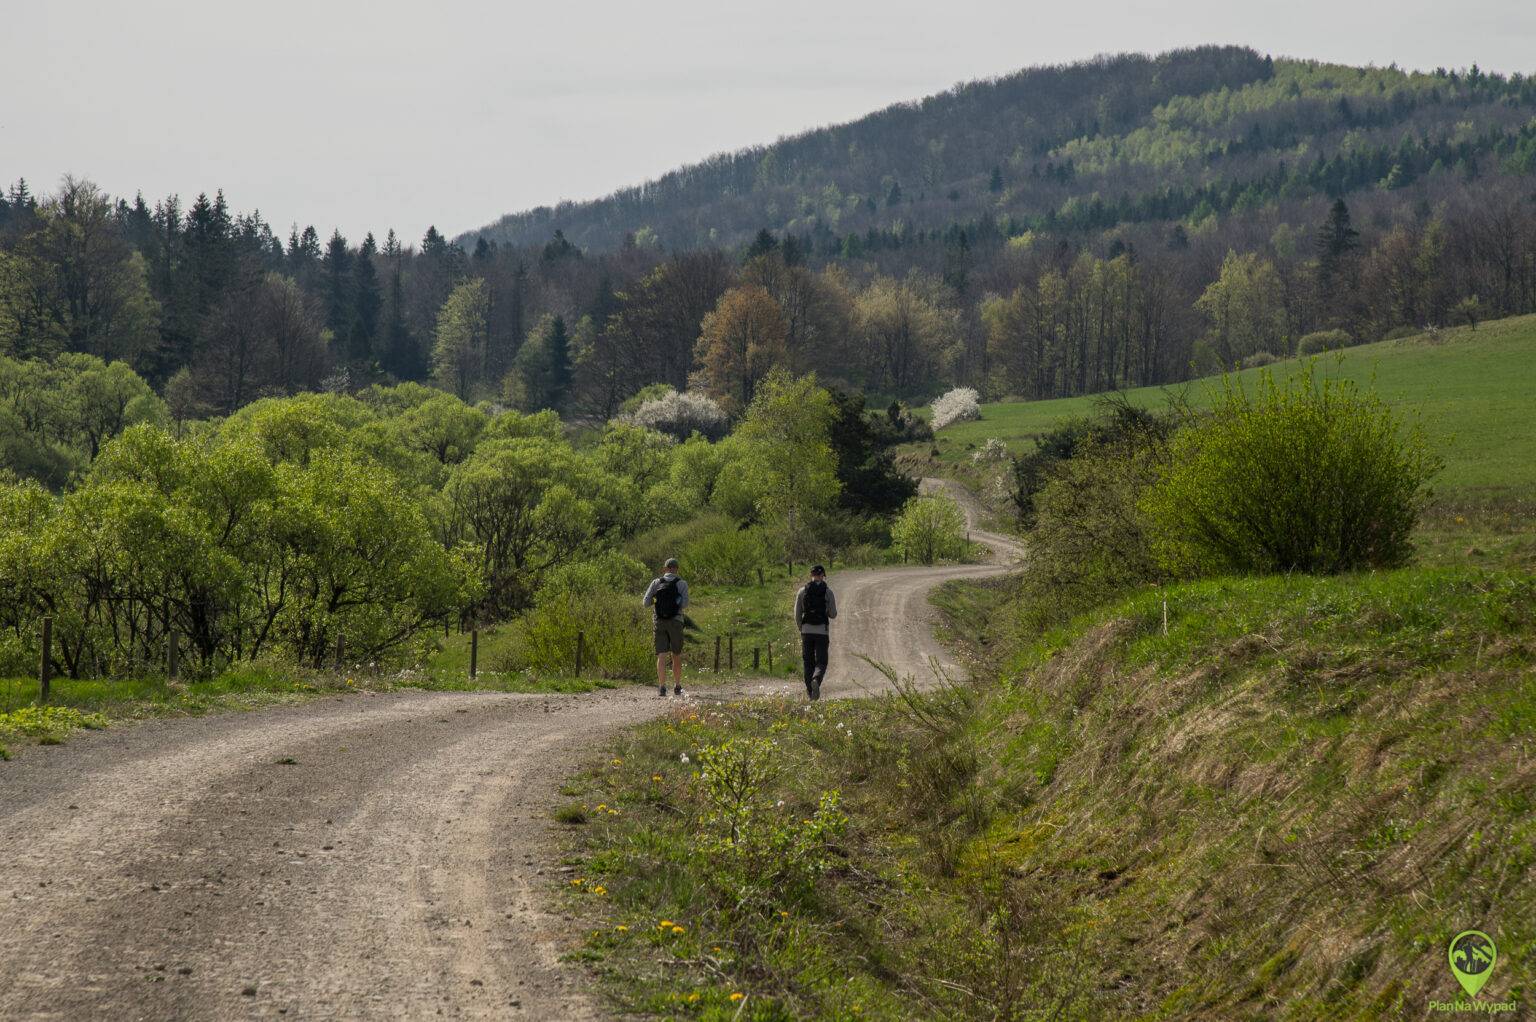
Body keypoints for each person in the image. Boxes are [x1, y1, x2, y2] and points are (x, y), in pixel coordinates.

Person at [642, 557, 689, 697]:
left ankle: (662, 687)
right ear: (676, 569)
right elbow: (684, 604)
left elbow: (645, 603)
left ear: (665, 568)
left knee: (661, 655)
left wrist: (656, 600)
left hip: (659, 621)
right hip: (676, 621)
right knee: (676, 654)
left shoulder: (656, 582)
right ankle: (677, 686)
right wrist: (675, 601)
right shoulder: (682, 583)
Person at [794, 564, 837, 701]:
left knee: (808, 662)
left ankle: (810, 693)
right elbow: (833, 614)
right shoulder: (828, 592)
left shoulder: (802, 591)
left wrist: (801, 628)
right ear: (823, 575)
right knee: (821, 661)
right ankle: (816, 680)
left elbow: (797, 614)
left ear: (811, 575)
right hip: (822, 632)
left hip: (806, 631)